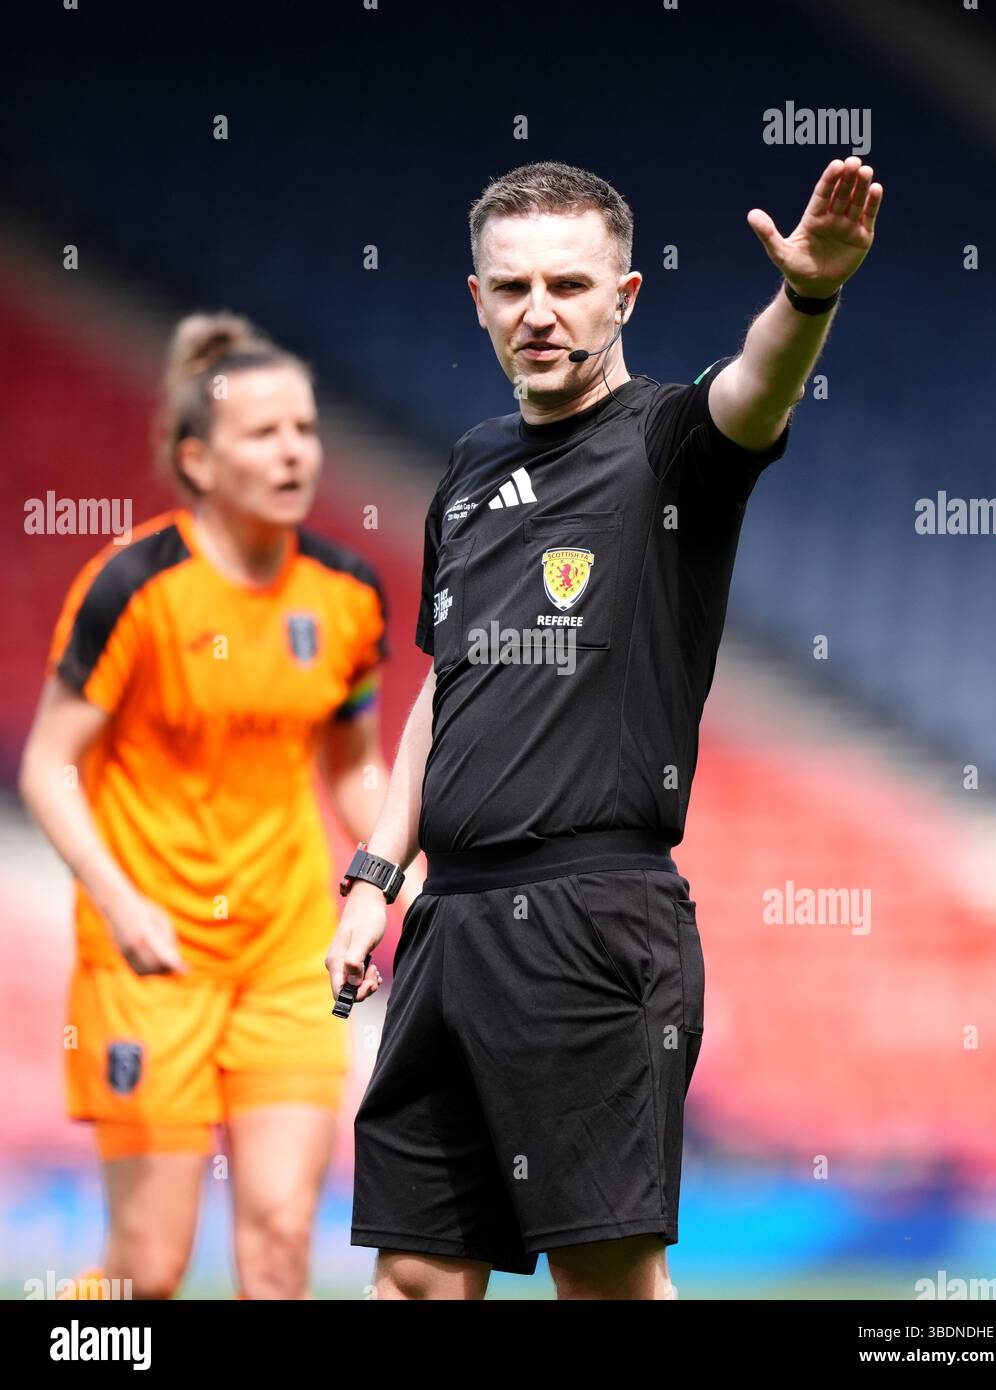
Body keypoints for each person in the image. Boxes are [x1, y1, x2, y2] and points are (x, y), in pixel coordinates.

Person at [326, 157, 883, 1299]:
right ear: (475, 300)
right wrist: (378, 880)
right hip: (448, 927)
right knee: (418, 1278)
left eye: (571, 285)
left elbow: (755, 393)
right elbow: (449, 685)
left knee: (605, 1282)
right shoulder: (472, 469)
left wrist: (809, 296)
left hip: (592, 924)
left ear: (624, 298)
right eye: (513, 286)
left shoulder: (670, 444)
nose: (540, 312)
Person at [19, 311, 410, 1299]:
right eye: (264, 433)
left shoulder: (348, 594)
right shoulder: (134, 587)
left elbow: (354, 773)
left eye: (307, 430)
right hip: (150, 962)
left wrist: (409, 862)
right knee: (146, 1276)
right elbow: (47, 765)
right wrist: (117, 898)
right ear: (198, 459)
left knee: (281, 1247)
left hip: (287, 961)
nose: (294, 451)